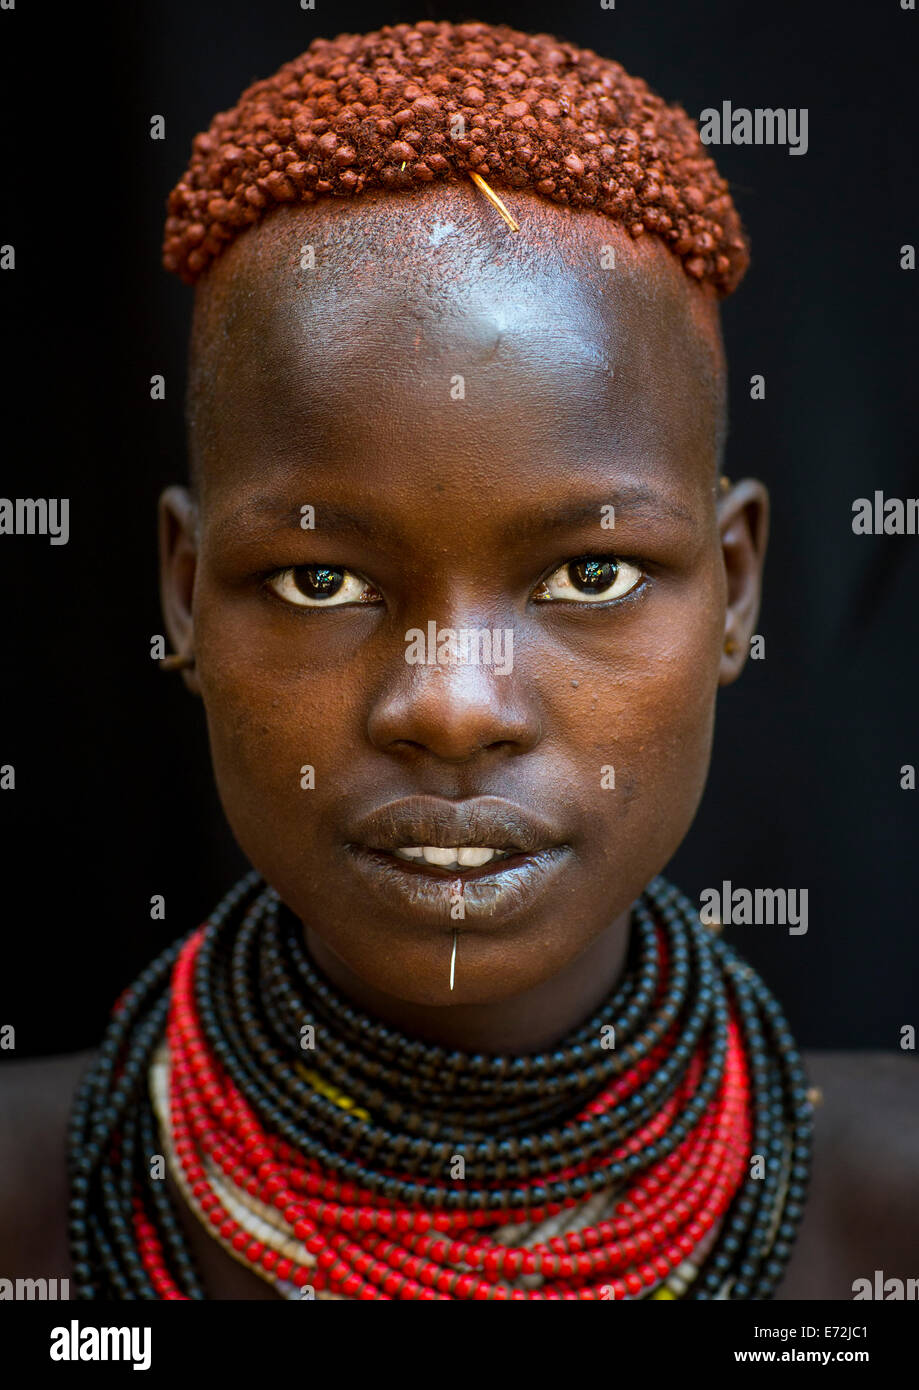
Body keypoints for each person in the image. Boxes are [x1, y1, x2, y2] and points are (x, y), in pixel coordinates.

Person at [2, 20, 916, 1302]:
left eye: (588, 574)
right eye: (322, 580)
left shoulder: (891, 1221)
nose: (447, 702)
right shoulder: (29, 1213)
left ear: (735, 584)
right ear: (187, 592)